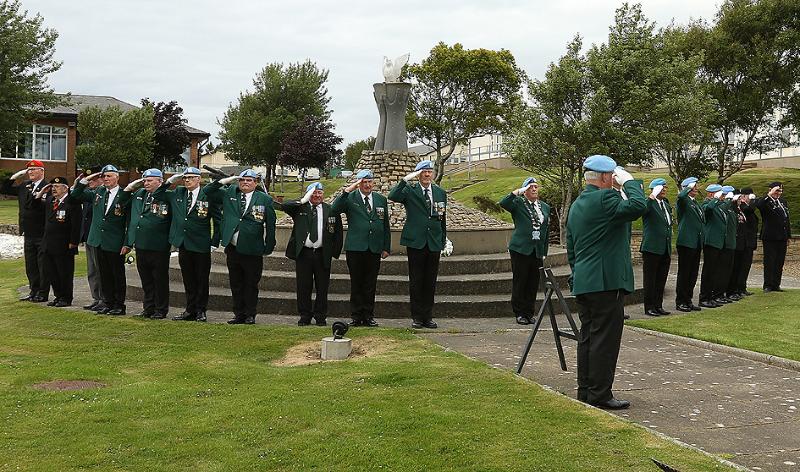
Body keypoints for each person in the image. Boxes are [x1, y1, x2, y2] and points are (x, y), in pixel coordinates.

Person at [566, 155, 646, 410]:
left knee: (588, 338)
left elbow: (571, 247)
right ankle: (600, 394)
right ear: (603, 177)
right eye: (612, 175)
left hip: (585, 279)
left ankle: (586, 390)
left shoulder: (578, 203)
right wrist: (630, 182)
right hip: (605, 282)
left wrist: (579, 273)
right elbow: (638, 206)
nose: (614, 179)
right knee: (605, 341)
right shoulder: (605, 198)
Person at [206, 169, 276, 325]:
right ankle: (238, 314)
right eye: (242, 180)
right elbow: (208, 191)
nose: (245, 182)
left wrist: (268, 246)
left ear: (255, 183)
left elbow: (270, 225)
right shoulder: (229, 194)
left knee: (251, 284)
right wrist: (226, 181)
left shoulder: (264, 199)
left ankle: (250, 314)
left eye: (249, 180)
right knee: (236, 283)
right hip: (233, 248)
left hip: (253, 249)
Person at [152, 167, 221, 322]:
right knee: (188, 279)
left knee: (201, 280)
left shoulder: (207, 195)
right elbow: (157, 195)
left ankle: (201, 311)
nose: (187, 180)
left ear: (199, 179)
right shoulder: (178, 193)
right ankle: (190, 310)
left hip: (201, 244)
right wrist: (170, 181)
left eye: (191, 177)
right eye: (185, 178)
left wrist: (214, 242)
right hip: (183, 243)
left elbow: (218, 220)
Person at [388, 160, 448, 329]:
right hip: (416, 241)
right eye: (423, 172)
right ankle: (417, 317)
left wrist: (443, 239)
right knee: (416, 280)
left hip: (433, 241)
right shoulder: (410, 190)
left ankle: (427, 316)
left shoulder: (440, 192)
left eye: (429, 171)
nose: (427, 174)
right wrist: (405, 180)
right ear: (418, 174)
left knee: (430, 281)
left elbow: (442, 218)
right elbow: (393, 196)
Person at [70, 165, 133, 315]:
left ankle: (119, 305)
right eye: (104, 176)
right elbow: (75, 195)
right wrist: (86, 180)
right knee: (103, 274)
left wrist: (127, 243)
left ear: (117, 177)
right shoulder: (98, 192)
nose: (106, 179)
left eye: (109, 176)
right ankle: (108, 302)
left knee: (117, 275)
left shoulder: (125, 195)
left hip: (115, 241)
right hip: (98, 240)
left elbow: (129, 222)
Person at [331, 169, 391, 327]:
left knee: (370, 284)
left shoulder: (380, 199)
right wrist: (346, 191)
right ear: (358, 184)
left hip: (374, 247)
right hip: (356, 248)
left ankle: (368, 315)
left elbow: (385, 224)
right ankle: (356, 316)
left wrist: (386, 246)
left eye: (370, 182)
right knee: (357, 283)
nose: (367, 185)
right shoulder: (350, 198)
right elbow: (334, 209)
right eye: (364, 182)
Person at [280, 182, 343, 326]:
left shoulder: (330, 209)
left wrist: (335, 252)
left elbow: (338, 232)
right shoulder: (300, 208)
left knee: (322, 287)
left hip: (322, 253)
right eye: (313, 192)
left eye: (319, 192)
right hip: (304, 253)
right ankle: (305, 315)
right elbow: (284, 206)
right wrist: (303, 200)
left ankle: (320, 316)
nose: (317, 195)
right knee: (303, 286)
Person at [499, 177, 550, 325]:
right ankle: (519, 313)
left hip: (537, 249)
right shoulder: (519, 203)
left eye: (535, 186)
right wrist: (518, 192)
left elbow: (545, 230)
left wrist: (544, 251)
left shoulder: (544, 207)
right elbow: (504, 203)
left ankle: (529, 312)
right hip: (521, 249)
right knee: (520, 280)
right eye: (530, 187)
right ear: (525, 190)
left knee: (533, 282)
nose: (534, 189)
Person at [122, 169, 173, 319]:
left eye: (150, 180)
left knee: (159, 279)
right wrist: (129, 188)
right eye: (144, 180)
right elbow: (122, 203)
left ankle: (161, 309)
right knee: (146, 279)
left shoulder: (167, 196)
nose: (146, 183)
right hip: (141, 243)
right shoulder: (140, 194)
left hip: (159, 244)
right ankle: (149, 307)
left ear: (160, 181)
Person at [1, 159, 49, 302]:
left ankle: (43, 293)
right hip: (28, 231)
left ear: (42, 171)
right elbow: (4, 189)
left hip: (41, 231)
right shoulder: (25, 185)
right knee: (31, 265)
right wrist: (15, 176)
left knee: (42, 265)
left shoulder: (47, 187)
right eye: (29, 170)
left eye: (34, 169)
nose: (30, 172)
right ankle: (33, 291)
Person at [35, 177, 81, 307]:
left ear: (65, 188)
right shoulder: (51, 200)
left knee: (64, 272)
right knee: (52, 272)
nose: (54, 189)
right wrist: (41, 192)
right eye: (53, 187)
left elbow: (76, 224)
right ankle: (58, 296)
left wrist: (73, 242)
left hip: (64, 244)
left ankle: (66, 297)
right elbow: (35, 205)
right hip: (49, 243)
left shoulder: (72, 202)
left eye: (57, 186)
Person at [640, 178, 673, 316]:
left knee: (661, 278)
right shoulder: (649, 203)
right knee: (650, 279)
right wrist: (652, 196)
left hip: (665, 247)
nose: (664, 190)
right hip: (652, 247)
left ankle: (658, 305)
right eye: (661, 187)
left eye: (665, 187)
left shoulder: (665, 204)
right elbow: (642, 210)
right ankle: (649, 307)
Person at [674, 177, 705, 312]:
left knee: (693, 274)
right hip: (686, 242)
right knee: (684, 273)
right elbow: (681, 196)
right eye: (693, 186)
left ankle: (688, 300)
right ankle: (681, 301)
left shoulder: (695, 203)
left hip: (696, 242)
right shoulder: (684, 201)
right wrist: (687, 187)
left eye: (696, 186)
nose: (696, 188)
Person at [754, 182, 791, 292]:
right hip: (770, 236)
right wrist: (770, 194)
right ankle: (768, 285)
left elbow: (786, 219)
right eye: (776, 191)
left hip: (782, 236)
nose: (778, 193)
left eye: (780, 191)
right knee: (769, 261)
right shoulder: (766, 201)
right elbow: (759, 205)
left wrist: (788, 235)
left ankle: (776, 284)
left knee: (779, 262)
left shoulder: (782, 202)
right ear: (770, 190)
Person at [77, 168, 104, 311]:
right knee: (92, 271)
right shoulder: (89, 193)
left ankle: (104, 298)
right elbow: (74, 195)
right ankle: (96, 297)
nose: (90, 182)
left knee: (100, 270)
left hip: (99, 237)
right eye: (88, 179)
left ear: (101, 178)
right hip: (88, 236)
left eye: (93, 179)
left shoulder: (102, 193)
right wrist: (80, 182)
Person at [698, 184, 726, 308]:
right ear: (711, 194)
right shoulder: (706, 204)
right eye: (720, 193)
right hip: (711, 242)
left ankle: (711, 296)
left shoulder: (719, 206)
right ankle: (704, 297)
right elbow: (708, 209)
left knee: (715, 271)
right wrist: (715, 199)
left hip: (718, 242)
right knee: (708, 271)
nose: (722, 196)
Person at [729, 188, 758, 297]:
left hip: (748, 242)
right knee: (738, 266)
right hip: (741, 242)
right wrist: (753, 200)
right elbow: (750, 210)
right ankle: (736, 288)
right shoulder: (741, 207)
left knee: (745, 266)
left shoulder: (744, 207)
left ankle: (742, 287)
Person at [717, 185, 738, 304]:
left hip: (731, 243)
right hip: (724, 244)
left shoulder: (731, 209)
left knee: (727, 271)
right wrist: (728, 200)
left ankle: (723, 293)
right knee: (721, 271)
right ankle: (718, 293)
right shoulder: (722, 206)